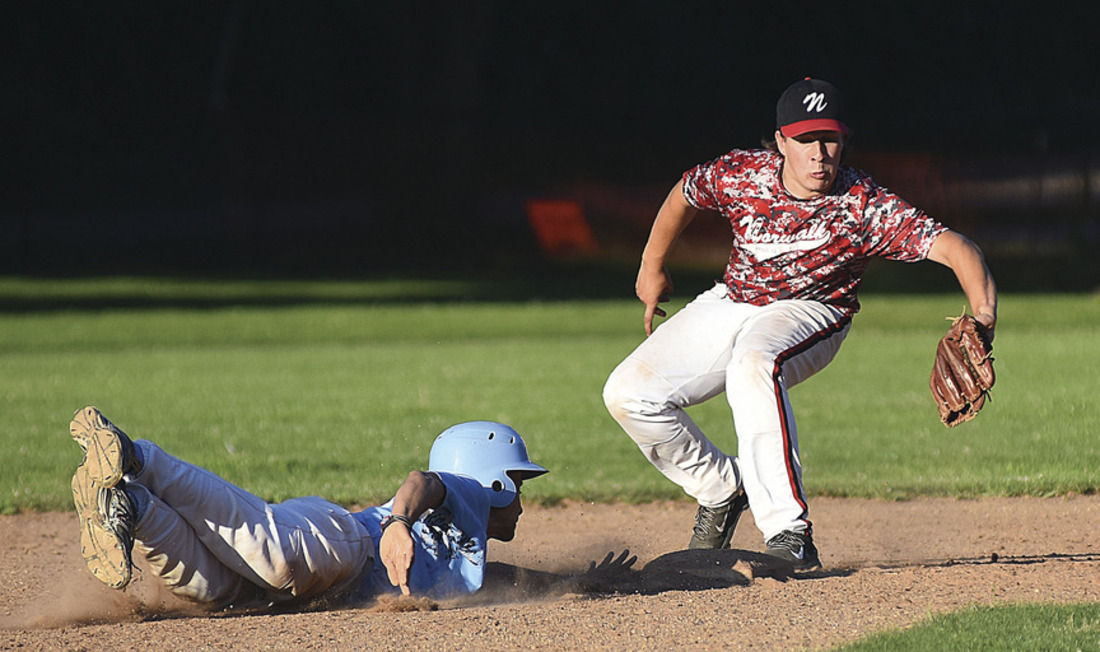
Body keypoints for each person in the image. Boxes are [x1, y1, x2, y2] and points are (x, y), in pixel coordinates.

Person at [602, 78, 997, 570]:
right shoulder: (743, 173)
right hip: (734, 299)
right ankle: (722, 489)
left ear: (844, 141)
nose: (819, 154)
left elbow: (957, 248)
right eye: (806, 140)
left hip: (813, 309)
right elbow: (686, 190)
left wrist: (983, 317)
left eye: (829, 139)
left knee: (754, 364)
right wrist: (651, 265)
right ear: (781, 141)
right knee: (627, 393)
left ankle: (790, 534)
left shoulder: (862, 204)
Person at [68, 405, 547, 608]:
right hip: (347, 543)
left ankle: (131, 505)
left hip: (317, 582)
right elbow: (423, 482)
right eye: (518, 483)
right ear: (493, 479)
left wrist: (589, 581)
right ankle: (137, 457)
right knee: (275, 555)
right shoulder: (466, 490)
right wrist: (398, 523)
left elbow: (512, 579)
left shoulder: (469, 556)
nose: (522, 500)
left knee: (213, 591)